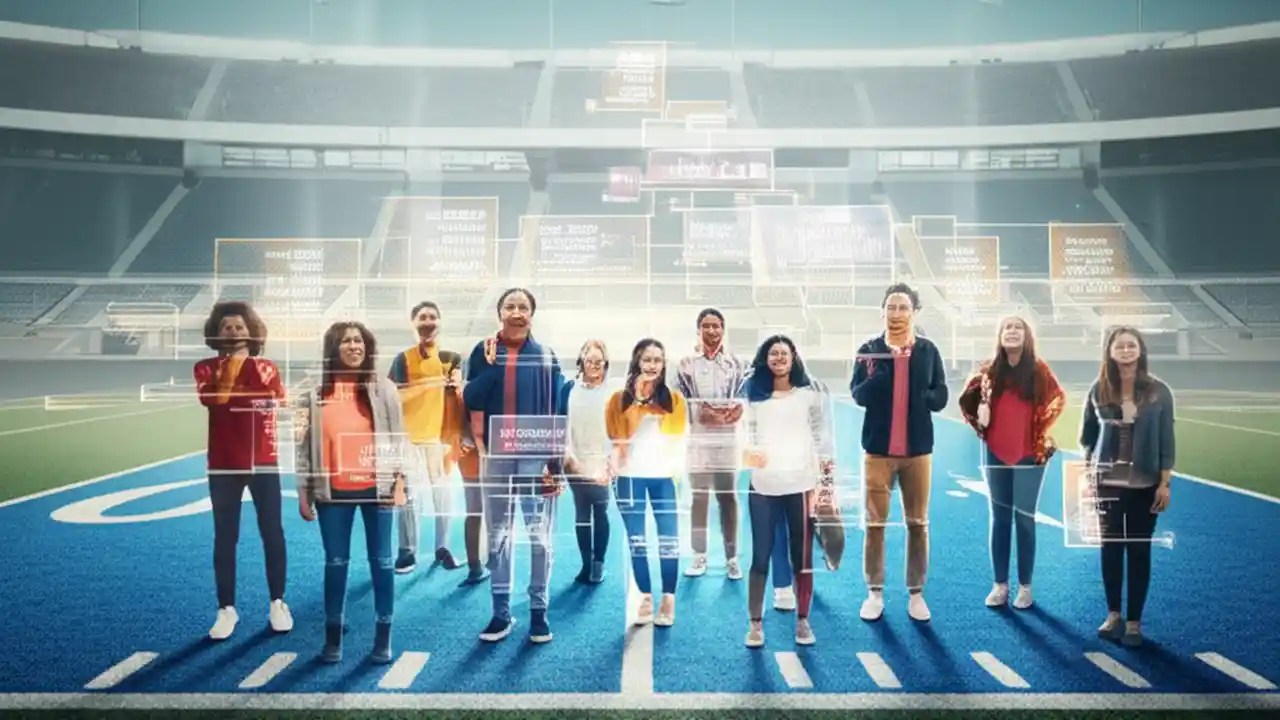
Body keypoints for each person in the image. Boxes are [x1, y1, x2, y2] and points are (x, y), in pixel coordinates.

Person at [295, 321, 407, 664]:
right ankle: (333, 639)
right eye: (346, 341)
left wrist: (398, 482)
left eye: (359, 340)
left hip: (378, 489)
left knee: (383, 562)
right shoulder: (313, 393)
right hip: (333, 492)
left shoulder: (383, 388)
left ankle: (383, 638)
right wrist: (304, 489)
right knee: (336, 562)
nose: (354, 346)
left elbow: (397, 438)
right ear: (334, 348)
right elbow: (302, 445)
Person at [463, 288, 566, 644]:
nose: (517, 312)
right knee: (499, 535)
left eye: (523, 307)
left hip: (536, 458)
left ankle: (539, 612)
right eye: (510, 306)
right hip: (497, 457)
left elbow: (556, 412)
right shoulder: (482, 352)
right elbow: (471, 397)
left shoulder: (547, 357)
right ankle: (500, 613)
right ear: (500, 313)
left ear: (532, 315)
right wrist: (491, 369)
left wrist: (555, 464)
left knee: (539, 535)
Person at [850, 283, 948, 623]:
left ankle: (916, 593)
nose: (896, 313)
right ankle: (874, 591)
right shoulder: (869, 350)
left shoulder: (928, 351)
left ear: (914, 312)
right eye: (890, 307)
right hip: (878, 450)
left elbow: (941, 393)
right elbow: (857, 394)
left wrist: (927, 398)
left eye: (903, 307)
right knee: (875, 524)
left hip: (917, 451)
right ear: (882, 311)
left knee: (918, 523)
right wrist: (878, 381)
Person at [193, 301, 291, 641]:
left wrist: (246, 383)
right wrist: (234, 367)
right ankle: (226, 609)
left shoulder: (267, 366)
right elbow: (216, 400)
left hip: (263, 459)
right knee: (225, 536)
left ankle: (277, 602)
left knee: (272, 532)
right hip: (223, 463)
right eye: (226, 328)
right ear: (216, 334)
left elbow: (273, 401)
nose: (233, 332)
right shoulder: (205, 367)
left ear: (251, 332)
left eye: (239, 327)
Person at [958, 316, 1066, 610]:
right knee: (1000, 518)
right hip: (994, 452)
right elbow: (966, 400)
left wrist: (1039, 428)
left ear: (1027, 336)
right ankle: (1000, 584)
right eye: (1008, 327)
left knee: (1025, 520)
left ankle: (1025, 587)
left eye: (1019, 328)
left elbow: (1058, 398)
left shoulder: (1039, 370)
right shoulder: (987, 371)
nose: (1013, 332)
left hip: (1029, 453)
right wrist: (980, 422)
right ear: (1000, 336)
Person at [1080, 326, 1174, 648]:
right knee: (1110, 548)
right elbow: (1087, 438)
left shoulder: (1159, 391)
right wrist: (1089, 475)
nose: (1126, 350)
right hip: (1108, 483)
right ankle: (1113, 616)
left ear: (1140, 350)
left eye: (1131, 345)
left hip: (1145, 484)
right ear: (1109, 351)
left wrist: (1165, 483)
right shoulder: (1098, 388)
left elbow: (1166, 440)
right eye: (1119, 346)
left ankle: (1134, 622)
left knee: (1138, 550)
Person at [740, 335, 833, 647]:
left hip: (800, 486)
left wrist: (824, 486)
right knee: (760, 557)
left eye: (784, 352)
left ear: (794, 358)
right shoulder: (752, 395)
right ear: (764, 359)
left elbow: (823, 440)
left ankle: (803, 621)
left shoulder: (809, 395)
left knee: (801, 557)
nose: (778, 357)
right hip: (763, 485)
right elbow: (742, 436)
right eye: (773, 353)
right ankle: (755, 624)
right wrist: (746, 453)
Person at [606, 339, 689, 627]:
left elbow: (676, 434)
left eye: (657, 360)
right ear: (637, 363)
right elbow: (618, 436)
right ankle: (644, 595)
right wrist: (638, 401)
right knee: (637, 541)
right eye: (647, 360)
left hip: (663, 478)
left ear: (664, 364)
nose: (652, 365)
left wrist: (649, 403)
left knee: (668, 540)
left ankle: (668, 596)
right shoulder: (619, 399)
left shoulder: (674, 400)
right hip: (630, 478)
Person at [387, 300, 464, 573]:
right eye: (422, 317)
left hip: (439, 439)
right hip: (409, 439)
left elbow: (458, 397)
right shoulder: (402, 359)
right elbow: (394, 395)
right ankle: (407, 552)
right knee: (408, 497)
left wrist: (457, 386)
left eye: (432, 316)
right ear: (414, 323)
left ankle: (443, 548)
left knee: (444, 495)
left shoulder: (453, 358)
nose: (428, 320)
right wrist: (428, 384)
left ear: (440, 323)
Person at [676, 308, 748, 580]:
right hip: (698, 443)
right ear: (698, 330)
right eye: (706, 326)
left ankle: (731, 558)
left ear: (723, 329)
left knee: (728, 498)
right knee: (699, 498)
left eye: (716, 326)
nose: (712, 331)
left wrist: (735, 412)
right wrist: (700, 413)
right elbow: (679, 400)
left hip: (727, 442)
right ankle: (699, 556)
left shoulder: (736, 363)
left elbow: (743, 398)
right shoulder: (686, 364)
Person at [558, 339, 616, 585]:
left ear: (605, 364)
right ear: (581, 362)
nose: (594, 366)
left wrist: (612, 460)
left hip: (601, 463)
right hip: (574, 461)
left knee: (600, 510)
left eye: (599, 361)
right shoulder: (568, 389)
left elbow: (618, 429)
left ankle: (599, 563)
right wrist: (565, 456)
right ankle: (585, 563)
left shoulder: (613, 392)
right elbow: (559, 424)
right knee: (581, 511)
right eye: (589, 360)